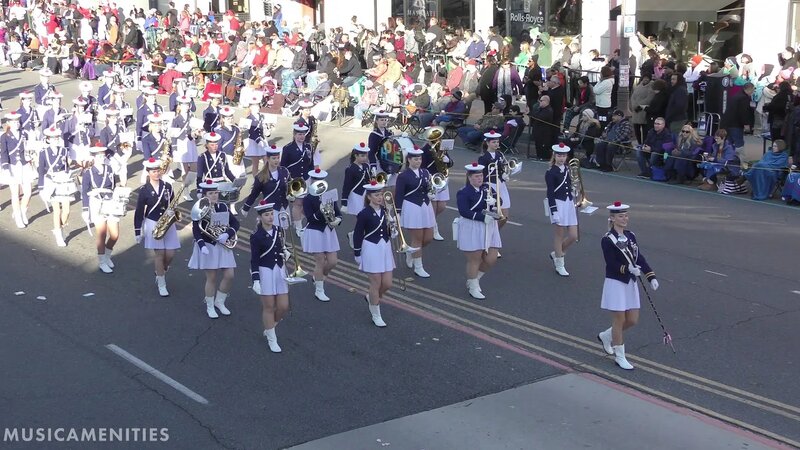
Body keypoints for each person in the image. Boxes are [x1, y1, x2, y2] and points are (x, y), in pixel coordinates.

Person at [597, 202, 659, 370]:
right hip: (616, 282)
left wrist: (650, 275)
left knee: (632, 320)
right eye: (620, 216)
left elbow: (639, 258)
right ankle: (620, 355)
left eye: (626, 216)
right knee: (619, 319)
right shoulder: (607, 239)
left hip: (630, 282)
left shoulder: (630, 236)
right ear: (612, 218)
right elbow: (611, 264)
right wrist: (627, 269)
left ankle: (607, 336)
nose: (624, 219)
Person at [188, 179, 240, 319]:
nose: (215, 195)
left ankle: (219, 302)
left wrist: (227, 234)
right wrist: (201, 245)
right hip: (208, 246)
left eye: (216, 193)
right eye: (211, 193)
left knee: (230, 275)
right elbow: (196, 229)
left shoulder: (223, 207)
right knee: (211, 277)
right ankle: (210, 306)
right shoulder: (199, 209)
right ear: (205, 195)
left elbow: (235, 223)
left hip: (222, 244)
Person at [134, 157, 181, 297]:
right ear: (148, 172)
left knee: (170, 254)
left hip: (167, 222)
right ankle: (162, 284)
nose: (156, 173)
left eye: (158, 170)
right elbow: (139, 211)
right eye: (153, 171)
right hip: (153, 223)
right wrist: (138, 231)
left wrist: (174, 212)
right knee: (159, 254)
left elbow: (172, 203)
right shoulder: (144, 190)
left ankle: (161, 271)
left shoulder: (167, 186)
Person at [250, 199, 291, 353]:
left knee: (283, 306)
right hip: (265, 271)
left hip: (279, 270)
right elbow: (254, 259)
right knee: (268, 307)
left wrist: (285, 253)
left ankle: (269, 328)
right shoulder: (256, 236)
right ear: (260, 217)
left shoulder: (279, 230)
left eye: (271, 214)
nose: (270, 217)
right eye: (266, 215)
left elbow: (281, 246)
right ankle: (272, 338)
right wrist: (255, 279)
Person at [456, 162, 501, 299]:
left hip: (489, 226)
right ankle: (473, 285)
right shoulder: (463, 192)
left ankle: (475, 279)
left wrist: (494, 201)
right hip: (473, 226)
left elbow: (500, 202)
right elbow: (463, 211)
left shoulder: (487, 188)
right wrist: (482, 217)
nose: (479, 179)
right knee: (475, 259)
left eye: (481, 176)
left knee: (491, 258)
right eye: (476, 176)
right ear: (469, 178)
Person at [352, 180, 395, 327]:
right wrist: (357, 253)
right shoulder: (364, 214)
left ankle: (371, 297)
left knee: (387, 283)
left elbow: (389, 231)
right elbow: (357, 234)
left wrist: (393, 229)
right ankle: (376, 314)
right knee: (376, 283)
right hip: (371, 248)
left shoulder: (385, 210)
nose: (380, 197)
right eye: (377, 195)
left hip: (385, 247)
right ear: (369, 197)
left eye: (381, 194)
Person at [80, 143, 122, 273]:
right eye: (98, 156)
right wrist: (85, 209)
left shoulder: (109, 169)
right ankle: (102, 261)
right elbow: (84, 191)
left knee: (115, 235)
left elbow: (114, 186)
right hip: (96, 202)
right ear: (93, 157)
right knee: (102, 233)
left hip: (109, 201)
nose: (101, 158)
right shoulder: (88, 172)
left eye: (102, 155)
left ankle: (108, 255)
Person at [302, 168, 342, 301]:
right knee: (320, 260)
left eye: (321, 180)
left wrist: (338, 219)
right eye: (315, 180)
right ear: (311, 181)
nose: (318, 183)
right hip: (315, 231)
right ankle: (319, 289)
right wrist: (320, 211)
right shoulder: (308, 198)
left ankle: (318, 277)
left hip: (328, 230)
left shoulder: (329, 194)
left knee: (333, 262)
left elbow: (337, 211)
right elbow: (310, 218)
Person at [395, 146, 434, 277]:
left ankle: (411, 252)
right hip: (412, 207)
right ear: (409, 160)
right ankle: (418, 267)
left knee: (428, 238)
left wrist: (431, 193)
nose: (418, 161)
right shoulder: (403, 176)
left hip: (426, 206)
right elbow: (399, 195)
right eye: (415, 159)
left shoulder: (425, 172)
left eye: (420, 159)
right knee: (417, 238)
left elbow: (429, 187)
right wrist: (398, 213)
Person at [38, 126, 76, 247]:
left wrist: (70, 166)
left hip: (64, 181)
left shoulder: (64, 151)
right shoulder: (43, 153)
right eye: (52, 138)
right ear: (48, 139)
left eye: (56, 138)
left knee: (67, 210)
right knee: (57, 210)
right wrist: (41, 187)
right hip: (51, 182)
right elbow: (41, 171)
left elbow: (66, 167)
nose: (55, 140)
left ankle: (59, 228)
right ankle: (59, 234)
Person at [545, 143, 578, 277]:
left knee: (573, 236)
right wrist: (554, 211)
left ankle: (556, 253)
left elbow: (569, 185)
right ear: (554, 156)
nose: (562, 158)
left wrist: (574, 191)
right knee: (559, 235)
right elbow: (550, 193)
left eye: (564, 156)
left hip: (569, 203)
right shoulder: (551, 172)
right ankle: (560, 263)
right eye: (559, 155)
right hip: (558, 204)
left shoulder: (568, 169)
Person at [0, 111, 35, 229]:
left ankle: (22, 211)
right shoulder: (5, 136)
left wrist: (30, 156)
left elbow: (28, 148)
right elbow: (4, 153)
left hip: (24, 165)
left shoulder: (24, 133)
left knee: (28, 192)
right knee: (15, 193)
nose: (16, 124)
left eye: (17, 121)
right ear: (9, 123)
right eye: (13, 122)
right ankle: (18, 217)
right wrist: (5, 167)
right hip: (12, 166)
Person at [281, 123, 314, 237]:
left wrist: (311, 177)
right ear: (294, 134)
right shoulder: (288, 148)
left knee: (306, 203)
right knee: (298, 204)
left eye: (303, 134)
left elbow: (311, 164)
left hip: (306, 178)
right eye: (299, 134)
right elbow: (283, 166)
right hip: (294, 180)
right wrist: (287, 182)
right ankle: (299, 227)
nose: (301, 136)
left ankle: (297, 220)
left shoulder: (308, 147)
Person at [421, 129, 454, 241]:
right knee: (433, 206)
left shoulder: (441, 148)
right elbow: (422, 167)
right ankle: (434, 228)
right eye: (433, 137)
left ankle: (430, 221)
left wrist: (447, 160)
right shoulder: (425, 150)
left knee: (442, 206)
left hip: (442, 178)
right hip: (432, 179)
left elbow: (451, 163)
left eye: (437, 137)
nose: (436, 139)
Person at [241, 144, 290, 218]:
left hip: (284, 207)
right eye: (273, 158)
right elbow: (254, 193)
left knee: (285, 229)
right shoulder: (261, 176)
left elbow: (289, 186)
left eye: (278, 158)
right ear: (267, 159)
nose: (276, 160)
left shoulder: (284, 171)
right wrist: (246, 208)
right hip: (270, 209)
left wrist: (291, 195)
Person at [477, 131, 511, 232]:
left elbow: (504, 166)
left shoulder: (499, 154)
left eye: (497, 142)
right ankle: (489, 233)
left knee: (504, 216)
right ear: (487, 143)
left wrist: (505, 174)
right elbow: (481, 174)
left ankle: (495, 232)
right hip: (490, 185)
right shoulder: (483, 157)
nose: (496, 144)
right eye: (493, 142)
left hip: (500, 184)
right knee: (492, 213)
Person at [342, 142, 371, 247]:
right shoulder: (350, 169)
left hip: (365, 195)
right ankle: (355, 237)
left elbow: (368, 180)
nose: (365, 158)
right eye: (362, 156)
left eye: (366, 155)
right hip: (355, 196)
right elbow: (347, 186)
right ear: (356, 156)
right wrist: (344, 202)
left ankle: (354, 234)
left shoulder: (366, 166)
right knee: (360, 219)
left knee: (364, 219)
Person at [171, 96, 200, 199]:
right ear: (180, 105)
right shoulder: (176, 118)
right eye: (183, 105)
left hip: (191, 143)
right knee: (184, 169)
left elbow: (196, 130)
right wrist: (174, 149)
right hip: (181, 143)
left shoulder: (192, 116)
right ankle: (186, 191)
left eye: (187, 104)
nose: (186, 106)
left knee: (194, 168)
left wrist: (196, 134)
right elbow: (173, 135)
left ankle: (186, 185)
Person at [140, 113, 172, 183]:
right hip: (153, 168)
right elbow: (147, 157)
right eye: (155, 125)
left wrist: (168, 160)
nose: (158, 127)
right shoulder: (146, 139)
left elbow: (170, 151)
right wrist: (159, 162)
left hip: (165, 167)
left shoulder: (165, 137)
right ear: (151, 126)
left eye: (159, 125)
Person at [243, 96, 267, 177]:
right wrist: (258, 140)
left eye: (257, 105)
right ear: (250, 107)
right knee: (255, 163)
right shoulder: (248, 118)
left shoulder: (261, 116)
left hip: (262, 139)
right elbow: (251, 132)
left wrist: (267, 130)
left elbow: (262, 127)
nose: (257, 107)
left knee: (266, 161)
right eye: (254, 106)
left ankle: (267, 178)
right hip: (253, 141)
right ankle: (256, 180)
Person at [367, 110, 394, 178]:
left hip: (389, 161)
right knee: (380, 182)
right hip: (378, 162)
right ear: (376, 121)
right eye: (381, 120)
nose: (384, 122)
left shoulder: (389, 133)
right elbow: (371, 152)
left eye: (385, 120)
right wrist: (373, 165)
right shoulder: (373, 135)